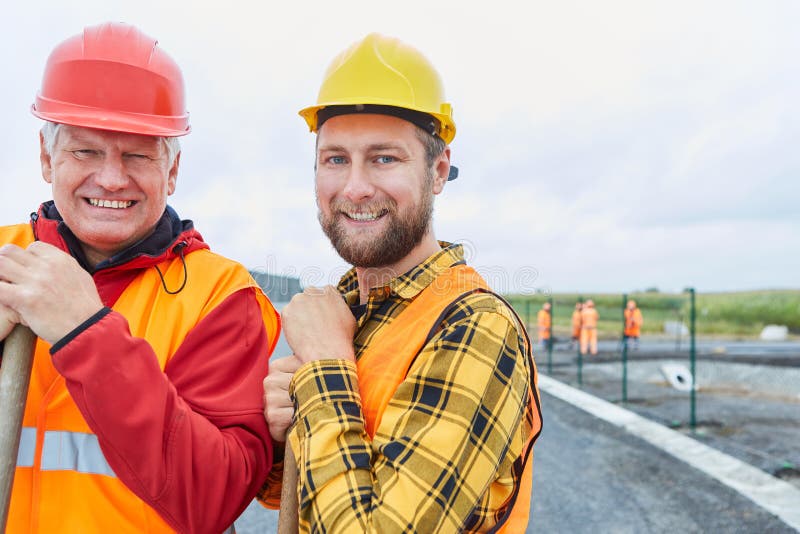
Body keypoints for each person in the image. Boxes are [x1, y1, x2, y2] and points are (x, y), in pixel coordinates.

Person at [0, 22, 280, 533]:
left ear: (171, 171)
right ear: (46, 158)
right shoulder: (2, 255)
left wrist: (85, 332)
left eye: (137, 154)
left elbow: (213, 497)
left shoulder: (221, 296)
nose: (111, 177)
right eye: (85, 150)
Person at [259, 33, 542, 532]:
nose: (355, 187)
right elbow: (290, 496)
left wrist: (326, 369)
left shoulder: (474, 326)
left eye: (384, 158)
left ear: (437, 171)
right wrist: (282, 438)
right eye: (336, 159)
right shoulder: (346, 309)